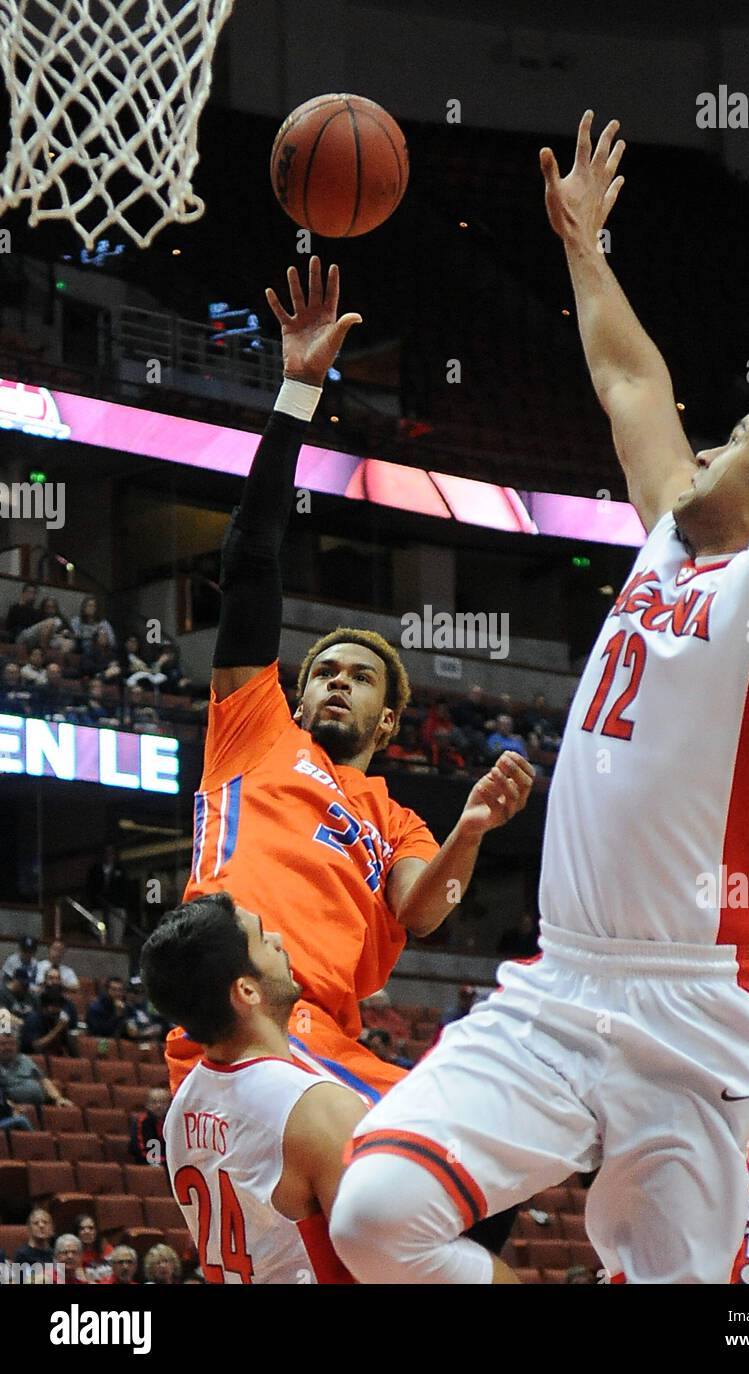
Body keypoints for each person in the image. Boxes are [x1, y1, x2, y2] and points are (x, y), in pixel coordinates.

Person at [329, 118, 749, 1286]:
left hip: (692, 1013)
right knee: (375, 1211)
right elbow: (631, 375)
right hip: (559, 979)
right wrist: (582, 245)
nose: (703, 452)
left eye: (730, 440)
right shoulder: (672, 536)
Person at [165, 260, 533, 1105]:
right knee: (436, 1163)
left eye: (359, 677)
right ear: (296, 696)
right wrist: (299, 392)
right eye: (323, 671)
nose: (335, 683)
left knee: (479, 1174)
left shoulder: (398, 821)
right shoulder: (256, 729)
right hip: (247, 1020)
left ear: (388, 720)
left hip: (328, 1037)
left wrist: (471, 828)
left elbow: (422, 909)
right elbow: (250, 560)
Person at [142, 892, 374, 1284]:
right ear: (246, 991)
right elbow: (390, 1266)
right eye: (263, 937)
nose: (279, 941)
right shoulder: (317, 1109)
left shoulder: (180, 1111)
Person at [0, 1026, 75, 1107]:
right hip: (12, 1108)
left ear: (17, 1046)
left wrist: (58, 1098)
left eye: (11, 1044)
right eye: (3, 1044)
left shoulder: (25, 1060)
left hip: (40, 1106)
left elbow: (43, 1080)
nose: (8, 1047)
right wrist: (9, 1107)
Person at [20, 985, 77, 1057]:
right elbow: (36, 1046)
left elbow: (71, 1049)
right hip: (33, 1059)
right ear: (44, 1007)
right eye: (55, 1006)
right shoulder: (33, 1020)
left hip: (53, 1059)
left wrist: (65, 1030)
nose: (58, 1010)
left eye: (60, 1007)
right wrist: (57, 1029)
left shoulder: (56, 1019)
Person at [128, 1087, 170, 1166]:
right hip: (146, 1163)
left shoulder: (171, 1121)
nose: (159, 1106)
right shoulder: (142, 1121)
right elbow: (140, 1149)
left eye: (163, 1102)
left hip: (167, 1163)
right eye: (154, 1102)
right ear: (147, 1105)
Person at [120, 976, 165, 1042]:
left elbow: (159, 1022)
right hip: (135, 1044)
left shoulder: (144, 1007)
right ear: (127, 993)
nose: (140, 995)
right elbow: (132, 1032)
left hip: (153, 1042)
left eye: (143, 991)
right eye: (136, 992)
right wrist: (146, 1033)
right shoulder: (125, 1008)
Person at [75, 1213, 113, 1283]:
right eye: (82, 1229)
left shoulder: (106, 1248)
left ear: (96, 1231)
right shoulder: (73, 1253)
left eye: (91, 1228)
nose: (87, 1232)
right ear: (77, 1233)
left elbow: (113, 1274)